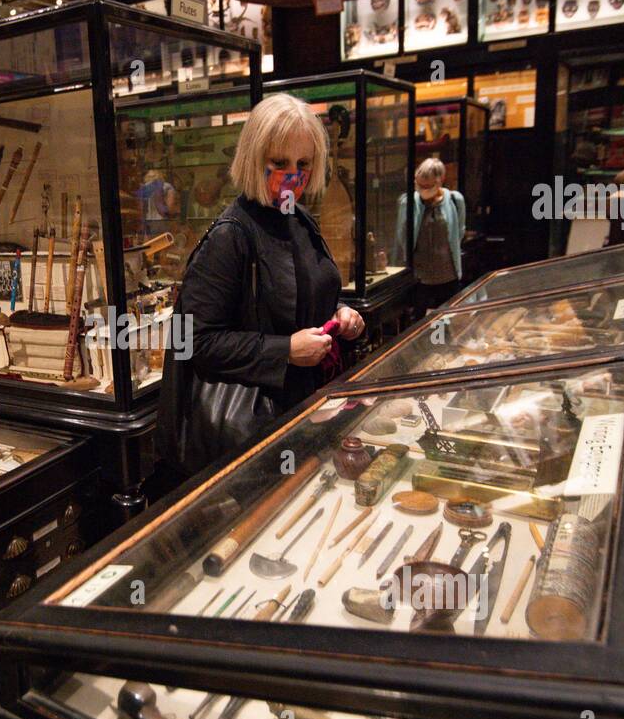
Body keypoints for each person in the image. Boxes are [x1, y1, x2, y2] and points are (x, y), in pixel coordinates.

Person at [156, 93, 365, 481]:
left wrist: (340, 314)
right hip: (251, 436)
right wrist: (284, 350)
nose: (293, 176)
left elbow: (304, 295)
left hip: (303, 413)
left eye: (303, 164)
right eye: (279, 163)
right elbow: (193, 341)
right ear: (255, 159)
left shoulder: (299, 219)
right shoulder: (231, 235)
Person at [403, 157, 466, 317]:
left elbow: (459, 232)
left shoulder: (454, 200)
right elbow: (402, 237)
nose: (423, 189)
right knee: (417, 321)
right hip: (420, 275)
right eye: (420, 185)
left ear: (439, 181)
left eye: (428, 185)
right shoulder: (410, 202)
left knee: (447, 319)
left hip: (447, 273)